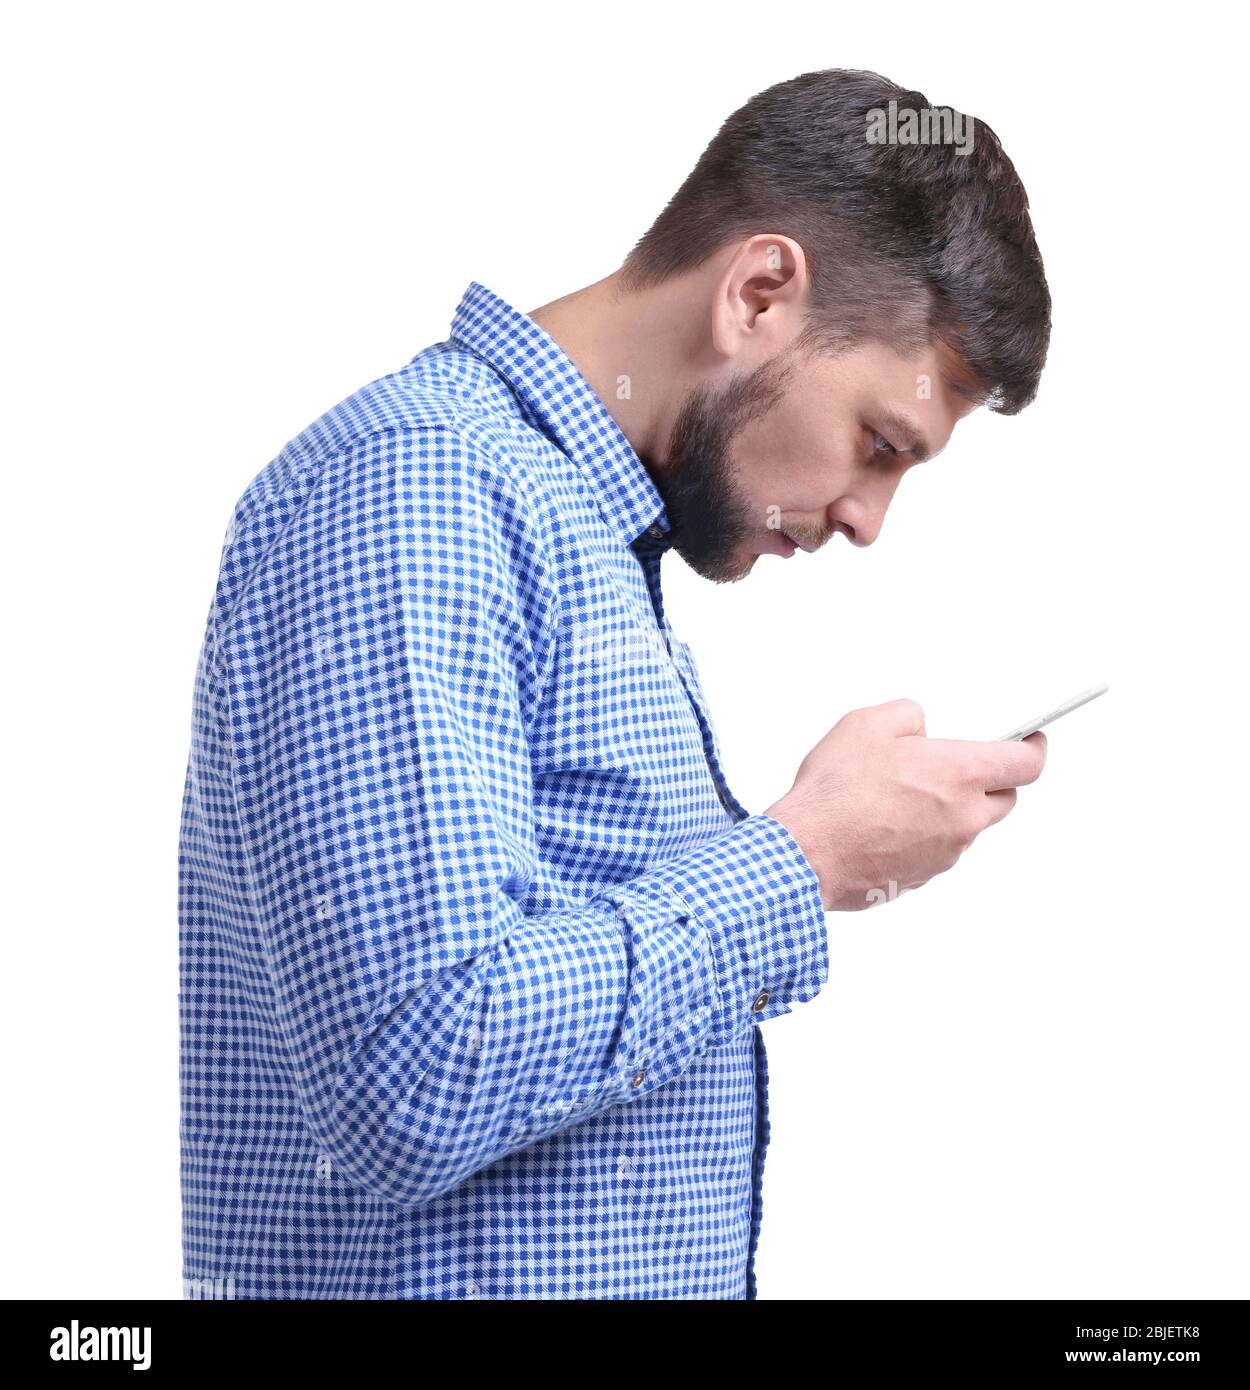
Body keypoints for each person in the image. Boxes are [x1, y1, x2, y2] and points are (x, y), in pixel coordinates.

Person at [179, 67, 1050, 1301]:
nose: (867, 518)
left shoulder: (570, 527)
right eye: (879, 443)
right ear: (758, 292)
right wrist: (798, 862)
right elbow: (417, 1072)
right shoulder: (414, 495)